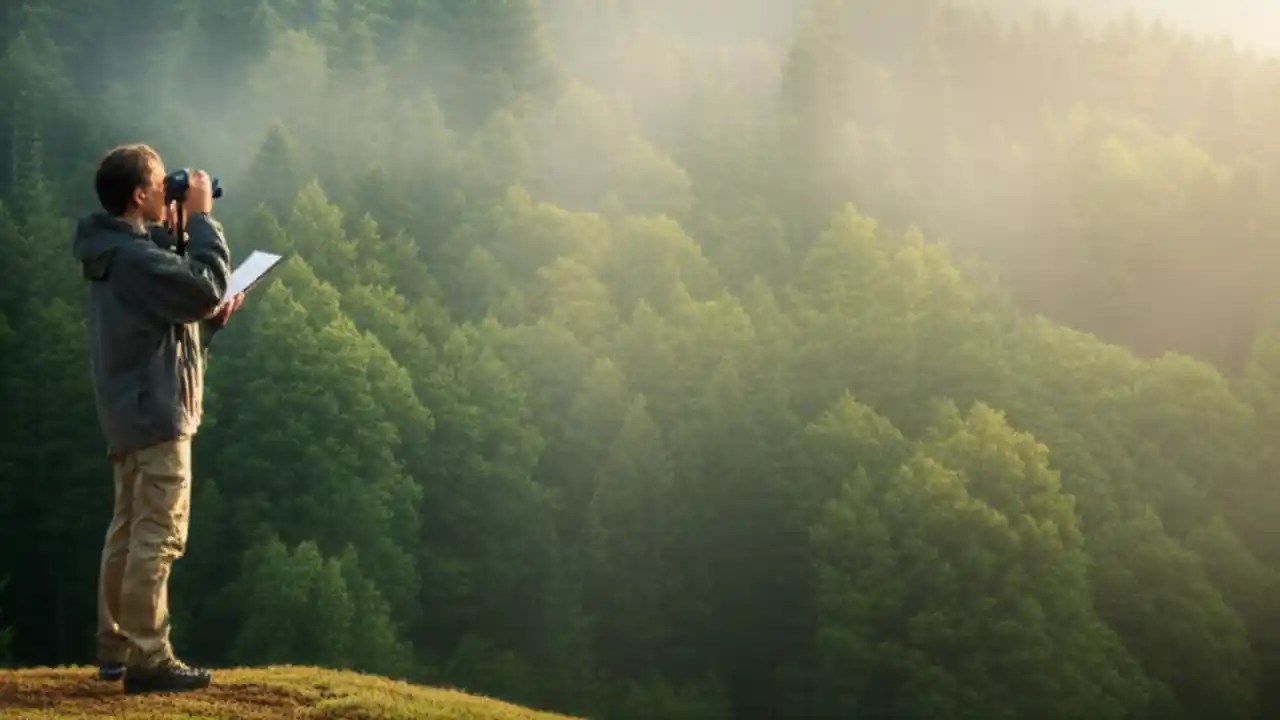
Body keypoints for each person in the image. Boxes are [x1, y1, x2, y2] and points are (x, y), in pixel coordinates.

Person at [71, 143, 244, 694]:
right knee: (159, 534)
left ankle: (116, 646)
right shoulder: (136, 259)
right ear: (141, 194)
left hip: (129, 411)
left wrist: (208, 319)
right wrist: (202, 220)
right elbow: (204, 286)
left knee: (126, 531)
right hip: (157, 414)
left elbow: (171, 319)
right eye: (157, 182)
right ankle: (150, 658)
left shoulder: (116, 254)